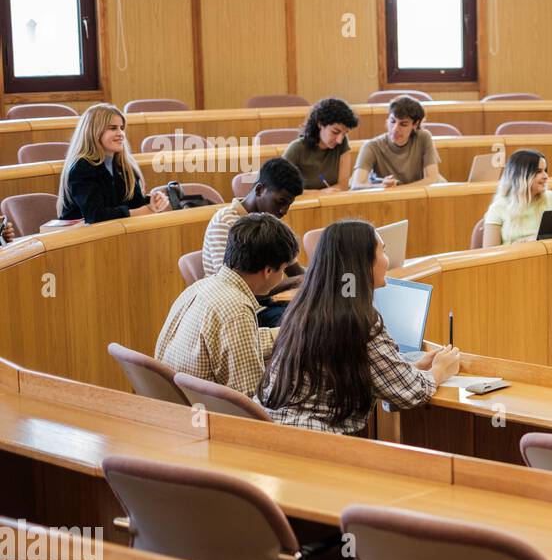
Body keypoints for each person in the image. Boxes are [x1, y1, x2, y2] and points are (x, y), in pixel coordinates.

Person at [259, 219, 460, 435]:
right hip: (313, 440)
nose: (387, 260)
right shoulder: (356, 320)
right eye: (382, 251)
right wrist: (440, 368)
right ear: (363, 263)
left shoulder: (304, 307)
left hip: (272, 428)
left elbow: (368, 368)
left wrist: (415, 366)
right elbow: (412, 392)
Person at [155, 214, 299, 398]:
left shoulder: (199, 287)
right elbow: (250, 398)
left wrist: (291, 333)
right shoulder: (236, 309)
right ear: (268, 271)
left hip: (178, 401)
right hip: (210, 413)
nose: (284, 275)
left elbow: (236, 343)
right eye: (284, 270)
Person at [202, 157, 306, 326]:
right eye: (280, 202)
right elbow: (233, 286)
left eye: (289, 205)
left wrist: (319, 277)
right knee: (304, 325)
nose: (284, 211)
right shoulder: (225, 222)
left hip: (265, 304)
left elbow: (296, 270)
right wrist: (296, 281)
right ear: (260, 189)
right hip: (237, 311)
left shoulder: (272, 222)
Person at [57, 103, 171, 223]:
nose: (120, 133)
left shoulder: (124, 166)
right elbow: (95, 216)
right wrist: (146, 210)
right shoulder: (81, 167)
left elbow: (135, 204)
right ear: (94, 132)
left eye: (121, 128)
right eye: (112, 128)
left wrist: (153, 202)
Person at [481, 149, 552, 246]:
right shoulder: (498, 209)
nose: (546, 176)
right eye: (538, 171)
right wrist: (521, 244)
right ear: (521, 175)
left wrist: (547, 239)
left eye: (545, 170)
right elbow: (489, 255)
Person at [349, 95, 445, 189]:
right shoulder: (371, 146)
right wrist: (381, 186)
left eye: (403, 124)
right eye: (392, 121)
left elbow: (432, 179)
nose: (395, 129)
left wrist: (399, 190)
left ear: (415, 124)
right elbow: (356, 184)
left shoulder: (424, 137)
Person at [283, 97, 358, 192]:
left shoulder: (343, 143)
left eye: (344, 133)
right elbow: (281, 187)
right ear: (320, 124)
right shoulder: (296, 148)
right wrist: (319, 193)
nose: (339, 140)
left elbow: (343, 186)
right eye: (335, 132)